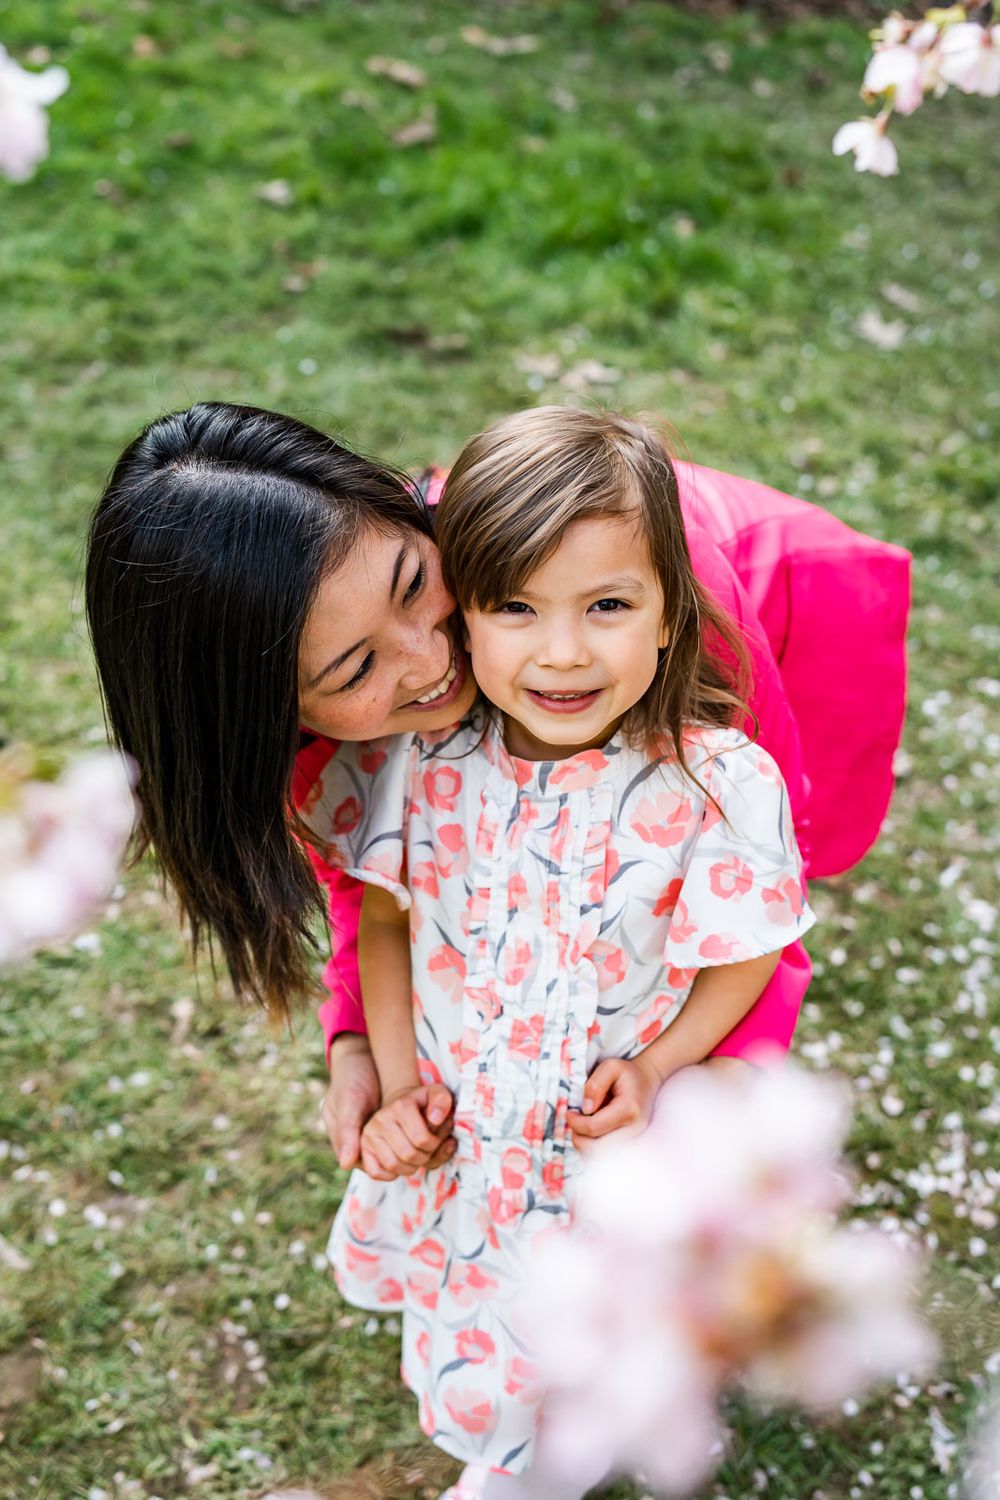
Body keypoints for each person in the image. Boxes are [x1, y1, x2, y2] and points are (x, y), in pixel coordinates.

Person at [85, 401, 910, 1175]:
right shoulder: (313, 744)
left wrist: (703, 1087)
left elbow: (759, 886)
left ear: (406, 514)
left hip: (782, 594)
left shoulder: (674, 617)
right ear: (266, 721)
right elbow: (378, 874)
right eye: (359, 667)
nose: (432, 658)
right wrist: (359, 1042)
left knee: (759, 835)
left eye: (414, 583)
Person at [304, 408, 817, 1499]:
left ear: (672, 617)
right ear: (466, 622)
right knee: (486, 1293)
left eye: (608, 606)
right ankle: (516, 1435)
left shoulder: (716, 785)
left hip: (597, 1132)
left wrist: (665, 1064)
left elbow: (744, 955)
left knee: (602, 1300)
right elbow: (383, 916)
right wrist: (398, 1083)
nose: (565, 651)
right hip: (469, 1124)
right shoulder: (420, 760)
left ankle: (539, 1463)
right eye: (516, 609)